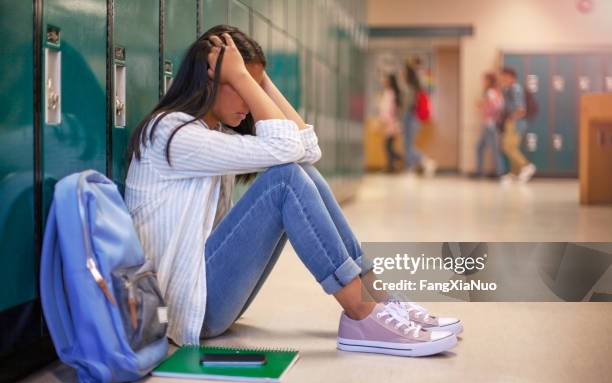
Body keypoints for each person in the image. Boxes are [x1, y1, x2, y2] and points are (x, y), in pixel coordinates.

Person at [125, 25, 462, 357]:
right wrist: (244, 78)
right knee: (285, 179)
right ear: (209, 80)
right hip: (182, 309)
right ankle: (362, 314)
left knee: (301, 172)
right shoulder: (171, 134)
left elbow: (307, 149)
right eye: (240, 86)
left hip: (205, 296)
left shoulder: (217, 135)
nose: (249, 99)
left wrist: (255, 78)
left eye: (254, 87)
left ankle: (379, 301)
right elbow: (287, 148)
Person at [499, 67, 536, 183]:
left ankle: (527, 166)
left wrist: (512, 119)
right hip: (510, 122)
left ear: (510, 77)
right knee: (508, 147)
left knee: (509, 147)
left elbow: (521, 110)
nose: (502, 78)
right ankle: (514, 173)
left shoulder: (516, 89)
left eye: (504, 76)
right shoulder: (507, 89)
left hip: (516, 123)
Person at [400, 63, 437, 176]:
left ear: (408, 74)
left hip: (410, 118)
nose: (401, 74)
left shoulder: (410, 88)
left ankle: (426, 161)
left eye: (403, 72)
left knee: (408, 146)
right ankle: (409, 167)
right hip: (412, 118)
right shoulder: (413, 87)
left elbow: (408, 105)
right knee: (407, 145)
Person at [475, 72, 504, 178]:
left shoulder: (491, 92)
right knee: (479, 147)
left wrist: (482, 105)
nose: (483, 82)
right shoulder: (494, 92)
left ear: (489, 81)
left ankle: (499, 172)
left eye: (484, 80)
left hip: (490, 124)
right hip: (489, 123)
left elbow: (496, 107)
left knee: (493, 149)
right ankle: (479, 172)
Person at [378, 74, 403, 172]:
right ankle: (391, 166)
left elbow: (388, 110)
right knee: (388, 146)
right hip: (389, 124)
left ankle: (396, 161)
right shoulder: (390, 93)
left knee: (388, 146)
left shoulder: (390, 94)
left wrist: (384, 121)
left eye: (386, 80)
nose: (384, 81)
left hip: (390, 124)